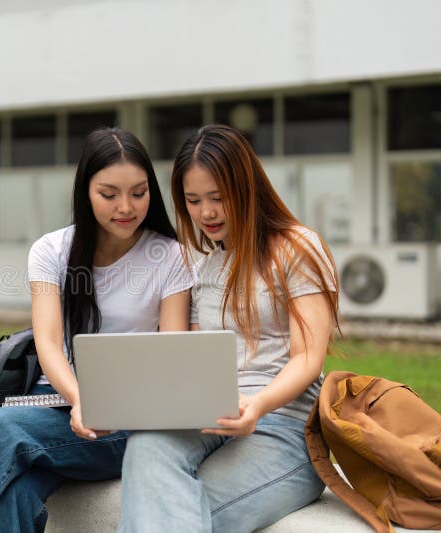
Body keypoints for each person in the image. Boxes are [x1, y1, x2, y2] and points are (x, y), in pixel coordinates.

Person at [0, 127, 193, 533]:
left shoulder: (171, 257)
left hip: (125, 419)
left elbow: (172, 352)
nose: (126, 207)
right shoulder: (51, 251)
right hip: (53, 405)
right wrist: (79, 399)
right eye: (109, 194)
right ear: (85, 192)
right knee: (14, 495)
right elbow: (49, 343)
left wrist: (95, 407)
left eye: (139, 193)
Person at [118, 124, 340, 533]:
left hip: (284, 426)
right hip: (213, 418)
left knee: (175, 514)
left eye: (218, 197)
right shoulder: (205, 265)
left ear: (247, 186)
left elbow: (308, 357)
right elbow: (196, 360)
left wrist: (257, 405)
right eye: (194, 200)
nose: (207, 213)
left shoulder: (298, 247)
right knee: (146, 445)